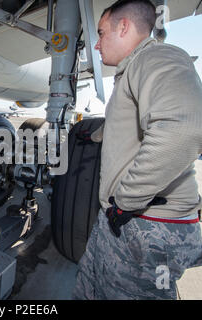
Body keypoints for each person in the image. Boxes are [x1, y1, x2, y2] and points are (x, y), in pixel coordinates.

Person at [73, 0, 202, 300]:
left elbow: (183, 129)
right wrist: (93, 136)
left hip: (147, 225)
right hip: (122, 221)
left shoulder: (157, 57)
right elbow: (129, 127)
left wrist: (126, 201)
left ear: (124, 27)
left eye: (101, 33)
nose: (96, 45)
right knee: (89, 287)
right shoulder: (131, 72)